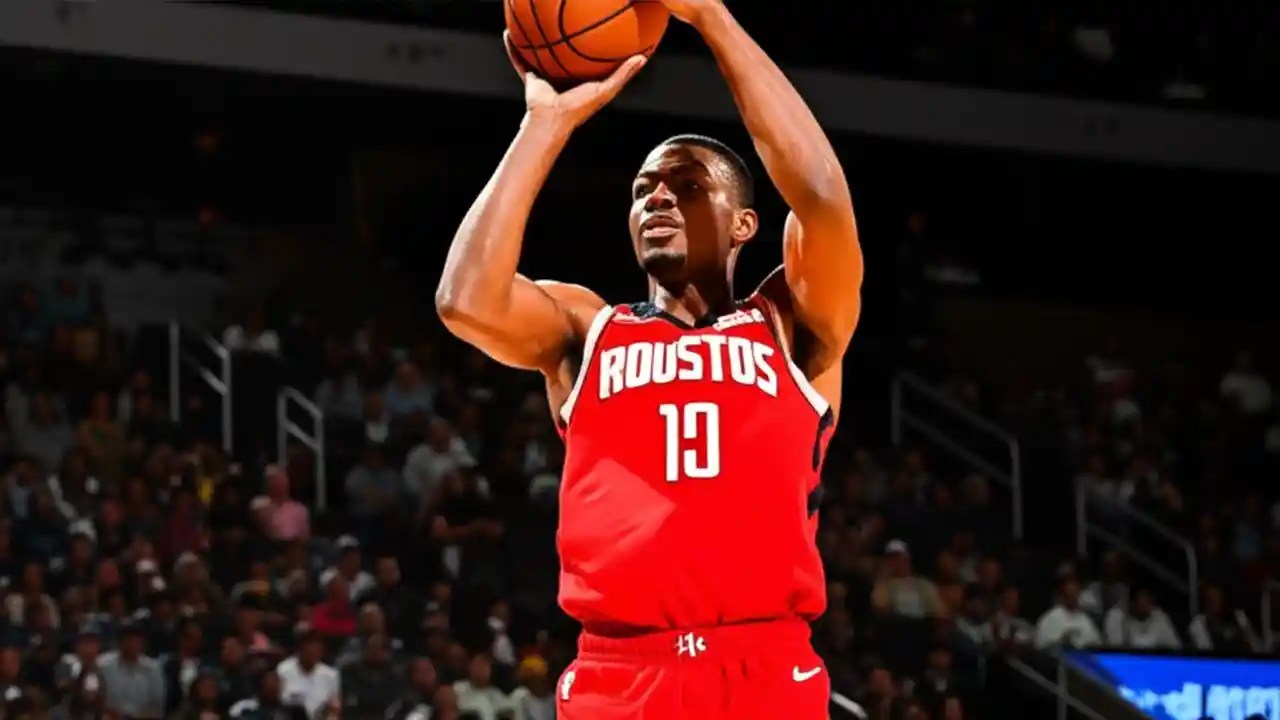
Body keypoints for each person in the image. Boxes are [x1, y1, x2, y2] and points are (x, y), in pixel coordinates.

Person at [435, 0, 862, 717]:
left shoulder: (790, 324)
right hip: (618, 673)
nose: (659, 197)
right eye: (643, 192)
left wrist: (713, 19)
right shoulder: (586, 328)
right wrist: (545, 125)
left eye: (688, 187)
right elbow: (464, 301)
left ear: (744, 224)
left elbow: (822, 199)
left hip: (762, 666)